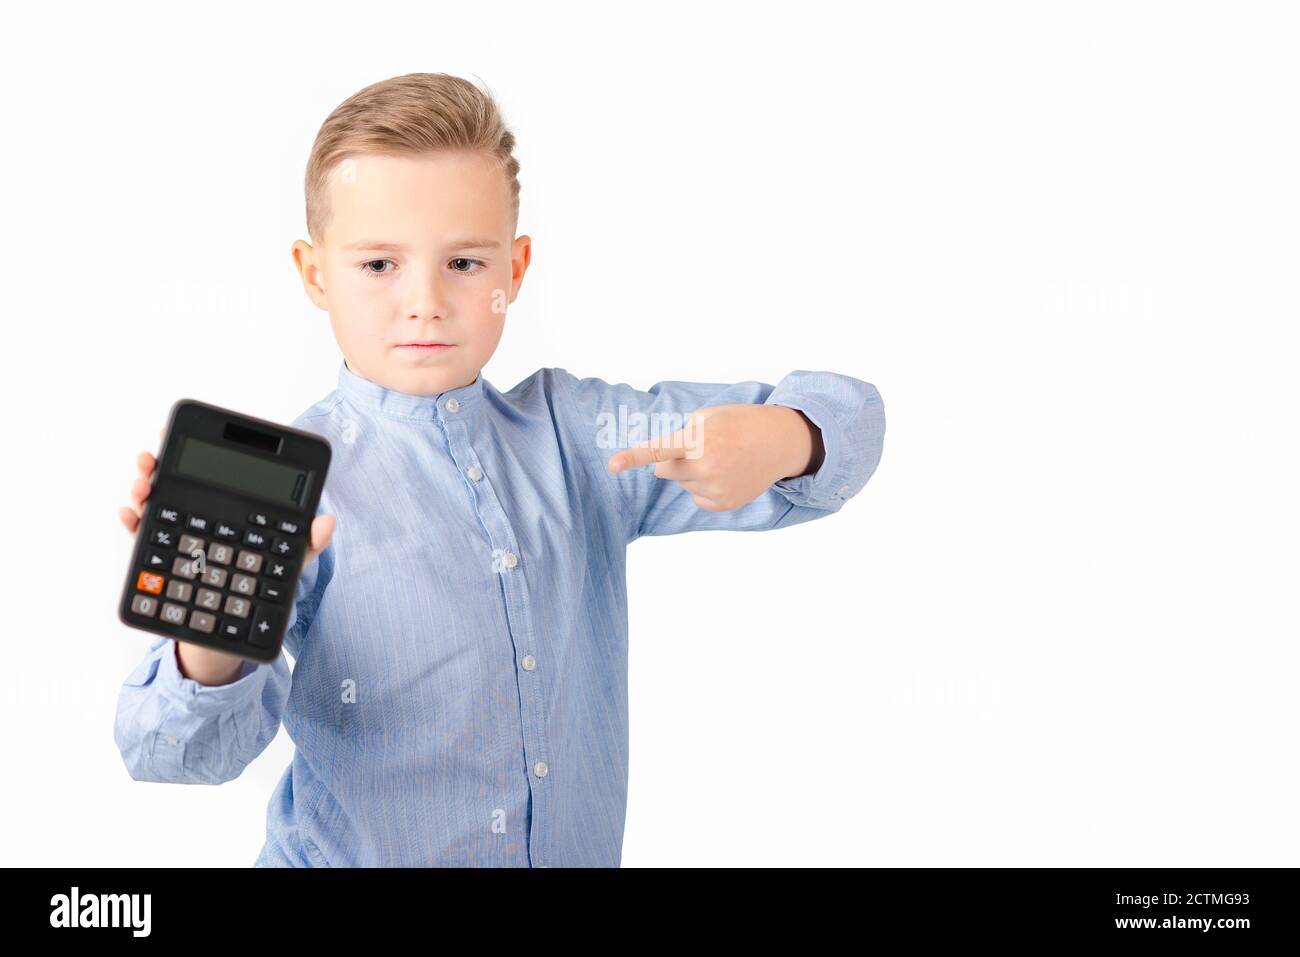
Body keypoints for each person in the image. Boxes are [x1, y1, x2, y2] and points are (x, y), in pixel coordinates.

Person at [114, 72, 887, 866]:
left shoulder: (581, 434)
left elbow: (854, 417)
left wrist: (783, 437)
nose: (425, 301)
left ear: (514, 270)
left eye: (464, 263)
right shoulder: (292, 495)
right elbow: (167, 752)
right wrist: (208, 637)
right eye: (379, 264)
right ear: (316, 274)